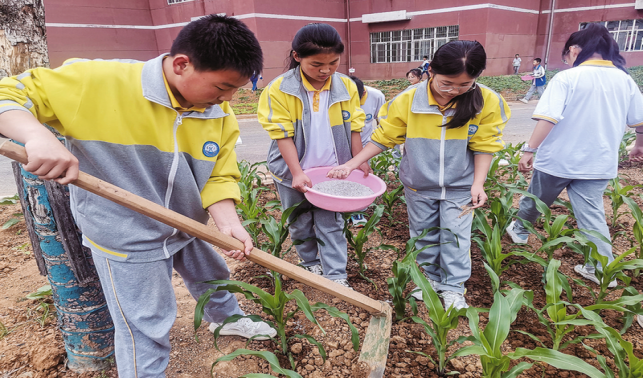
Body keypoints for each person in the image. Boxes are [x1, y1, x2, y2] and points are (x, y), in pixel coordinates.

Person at [0, 15, 277, 376]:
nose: (228, 99)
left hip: (185, 225)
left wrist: (227, 222)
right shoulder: (96, 82)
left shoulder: (217, 112)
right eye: (222, 87)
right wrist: (36, 135)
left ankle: (227, 321)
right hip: (126, 237)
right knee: (146, 326)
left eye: (235, 90)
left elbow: (220, 174)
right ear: (182, 64)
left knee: (213, 277)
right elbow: (8, 94)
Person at [328, 40, 510, 310]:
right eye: (446, 83)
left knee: (455, 237)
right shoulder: (408, 100)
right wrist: (353, 164)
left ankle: (452, 288)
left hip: (460, 187)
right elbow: (383, 138)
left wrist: (478, 184)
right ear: (431, 71)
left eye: (464, 85)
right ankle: (427, 282)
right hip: (418, 186)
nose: (453, 91)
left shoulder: (487, 101)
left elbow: (485, 146)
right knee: (423, 235)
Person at [506, 24, 643, 289]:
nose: (567, 59)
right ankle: (601, 270)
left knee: (536, 199)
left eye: (567, 54)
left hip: (559, 160)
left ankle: (520, 231)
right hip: (598, 163)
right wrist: (639, 145)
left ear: (575, 50)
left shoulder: (568, 78)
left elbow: (548, 118)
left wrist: (529, 149)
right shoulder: (624, 79)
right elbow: (640, 120)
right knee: (591, 215)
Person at [257, 23, 368, 289]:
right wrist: (296, 172)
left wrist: (358, 158)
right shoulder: (280, 88)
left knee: (331, 222)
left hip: (332, 170)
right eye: (316, 64)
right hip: (294, 170)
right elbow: (281, 134)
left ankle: (336, 274)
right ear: (297, 56)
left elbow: (354, 125)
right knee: (299, 221)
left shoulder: (345, 86)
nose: (326, 71)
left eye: (333, 62)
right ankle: (310, 263)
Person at [349, 75, 386, 227]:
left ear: (363, 94)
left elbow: (383, 122)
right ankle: (340, 210)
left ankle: (358, 211)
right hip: (340, 145)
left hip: (363, 145)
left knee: (359, 177)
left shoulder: (376, 96)